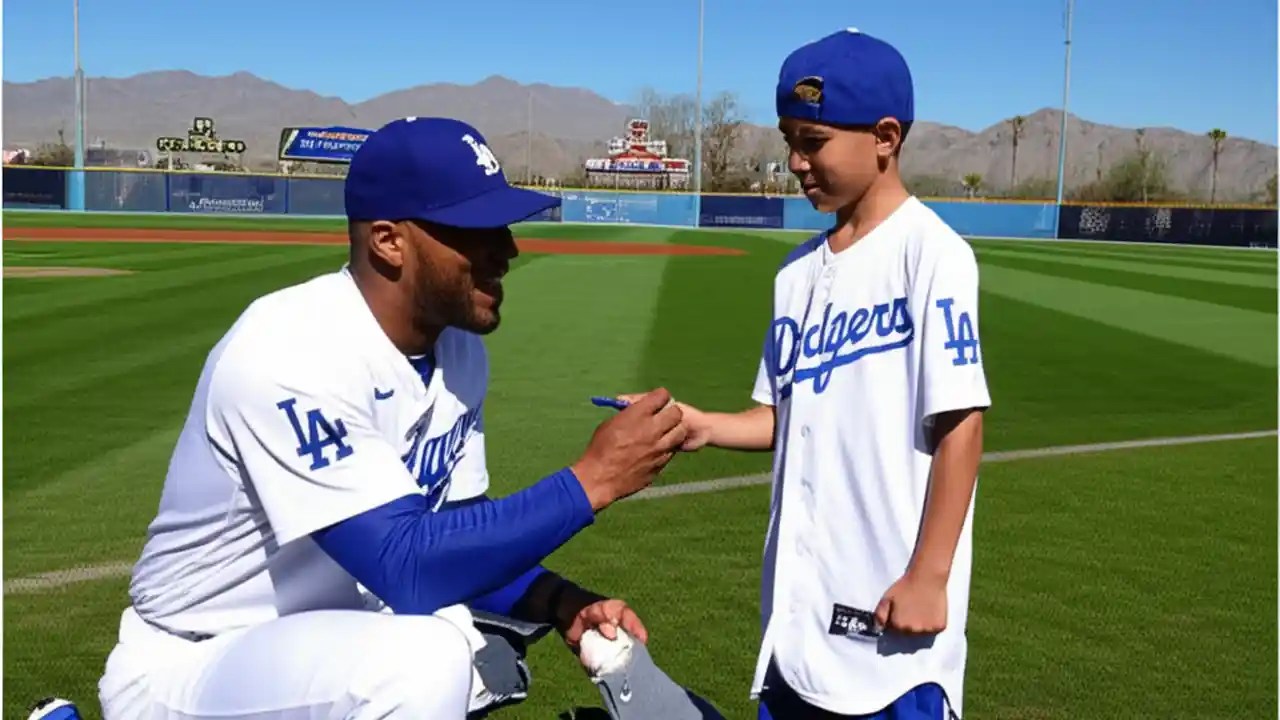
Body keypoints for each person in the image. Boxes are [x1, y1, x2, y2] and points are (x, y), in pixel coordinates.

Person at [97, 115, 689, 719]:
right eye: (477, 229)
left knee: (456, 641)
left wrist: (562, 601)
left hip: (322, 646)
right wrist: (593, 480)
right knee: (426, 657)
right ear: (388, 240)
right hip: (191, 662)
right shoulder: (287, 351)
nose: (507, 250)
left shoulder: (459, 352)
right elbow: (406, 566)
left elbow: (456, 538)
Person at [619, 28, 991, 720]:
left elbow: (961, 424)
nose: (794, 160)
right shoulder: (796, 274)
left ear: (884, 137)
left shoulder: (932, 255)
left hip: (893, 632)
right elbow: (786, 416)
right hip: (797, 623)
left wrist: (930, 576)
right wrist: (701, 424)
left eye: (813, 140)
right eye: (789, 138)